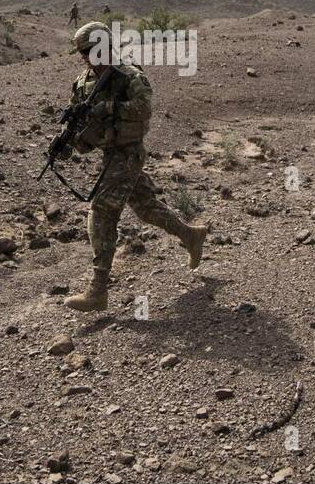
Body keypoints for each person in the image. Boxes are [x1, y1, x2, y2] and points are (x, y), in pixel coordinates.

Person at [58, 21, 208, 311]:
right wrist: (70, 140)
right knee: (146, 207)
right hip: (109, 154)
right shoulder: (82, 82)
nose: (85, 57)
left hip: (128, 154)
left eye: (89, 50)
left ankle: (98, 290)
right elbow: (81, 124)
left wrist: (110, 108)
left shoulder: (128, 75)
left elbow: (144, 109)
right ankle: (191, 235)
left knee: (101, 211)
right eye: (82, 52)